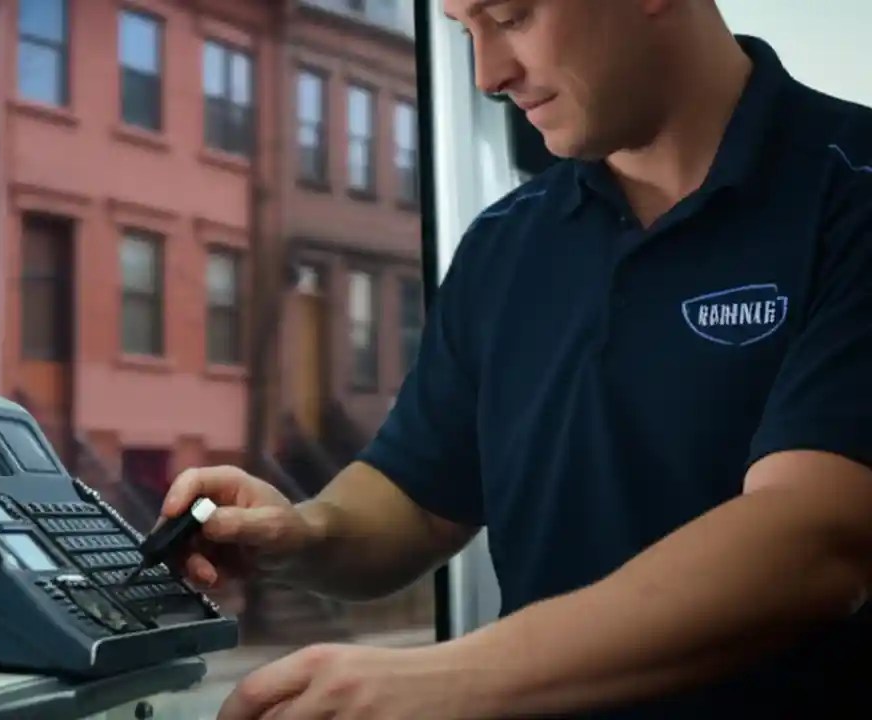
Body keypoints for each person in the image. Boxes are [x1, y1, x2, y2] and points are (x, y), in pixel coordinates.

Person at [158, 1, 872, 718]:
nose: (487, 74)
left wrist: (447, 677)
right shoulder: (505, 243)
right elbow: (416, 502)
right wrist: (305, 533)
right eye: (464, 31)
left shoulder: (854, 190)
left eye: (511, 16)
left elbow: (817, 537)